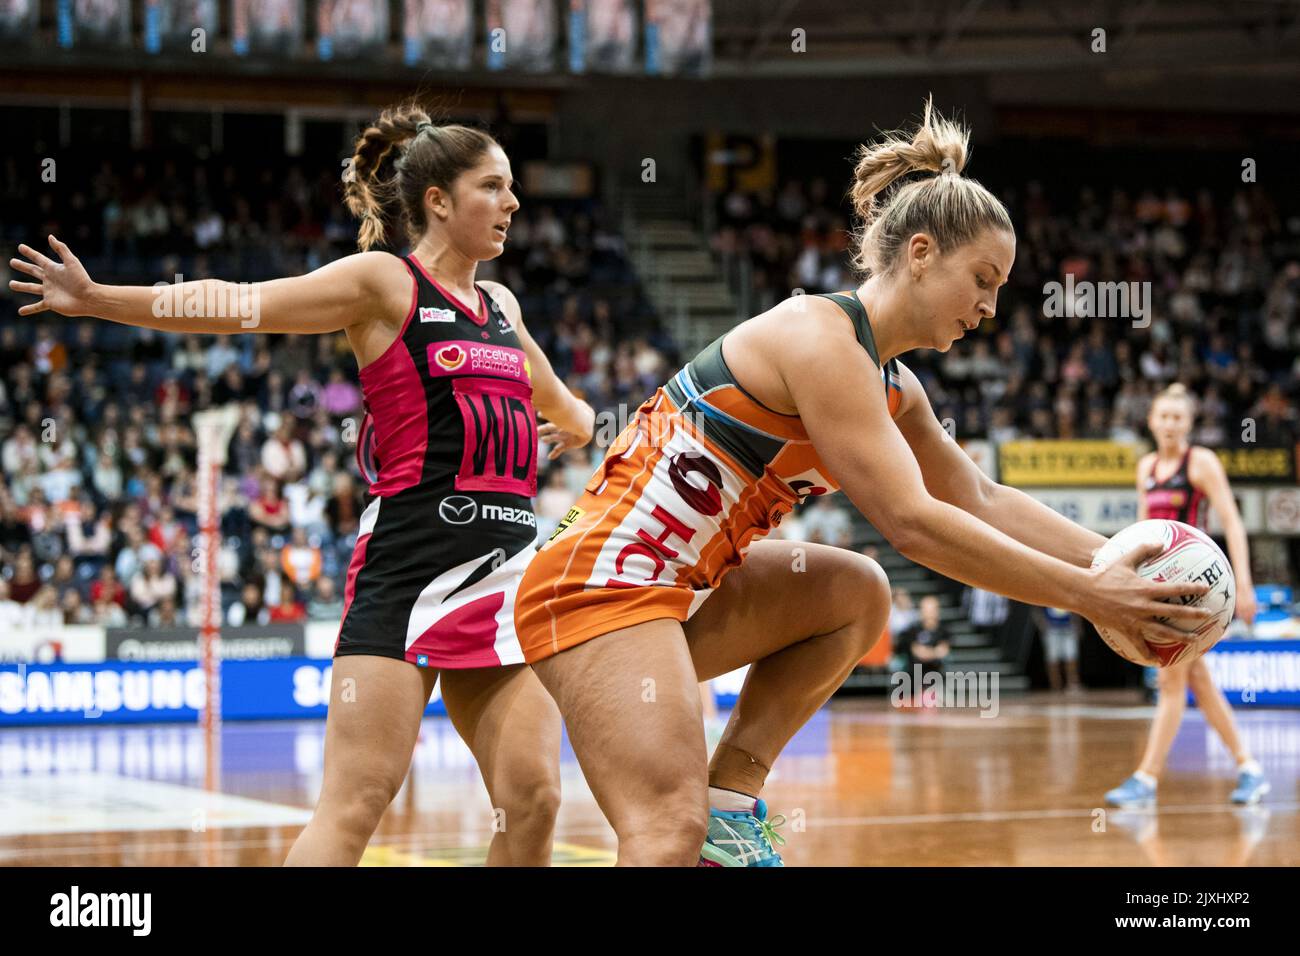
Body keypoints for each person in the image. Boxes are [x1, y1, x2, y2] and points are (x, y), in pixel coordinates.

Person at [512, 97, 1211, 866]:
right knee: (662, 829)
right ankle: (698, 821)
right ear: (919, 252)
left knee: (857, 593)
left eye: (1002, 287)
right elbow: (912, 522)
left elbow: (980, 497)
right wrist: (1089, 596)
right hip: (598, 587)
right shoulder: (820, 338)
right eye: (982, 278)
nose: (990, 305)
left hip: (680, 590)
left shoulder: (895, 385)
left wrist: (1120, 563)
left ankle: (729, 804)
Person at [9, 102, 595, 866]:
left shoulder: (502, 308)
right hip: (410, 564)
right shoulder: (385, 283)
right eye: (494, 186)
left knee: (535, 802)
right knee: (355, 804)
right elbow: (240, 304)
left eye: (512, 187)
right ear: (438, 202)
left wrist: (576, 426)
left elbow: (563, 403)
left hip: (505, 574)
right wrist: (100, 300)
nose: (514, 203)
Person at [1105, 383, 1268, 807]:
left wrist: (1244, 585)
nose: (1171, 424)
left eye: (1179, 418)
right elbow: (1140, 534)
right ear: (1151, 421)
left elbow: (1232, 522)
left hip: (1195, 593)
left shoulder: (1202, 463)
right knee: (1198, 682)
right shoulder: (1145, 468)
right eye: (1164, 417)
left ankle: (1146, 778)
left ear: (1190, 423)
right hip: (1158, 595)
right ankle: (1249, 768)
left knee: (1171, 679)